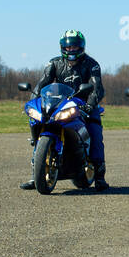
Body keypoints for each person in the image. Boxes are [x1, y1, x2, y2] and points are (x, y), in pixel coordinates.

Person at [20, 29, 108, 191]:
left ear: (81, 47)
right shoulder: (54, 63)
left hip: (84, 104)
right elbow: (43, 82)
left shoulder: (92, 64)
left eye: (74, 47)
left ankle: (100, 176)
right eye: (68, 47)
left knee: (94, 131)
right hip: (60, 103)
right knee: (41, 126)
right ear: (62, 47)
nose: (71, 50)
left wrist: (90, 105)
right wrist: (33, 99)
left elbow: (97, 88)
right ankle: (36, 175)